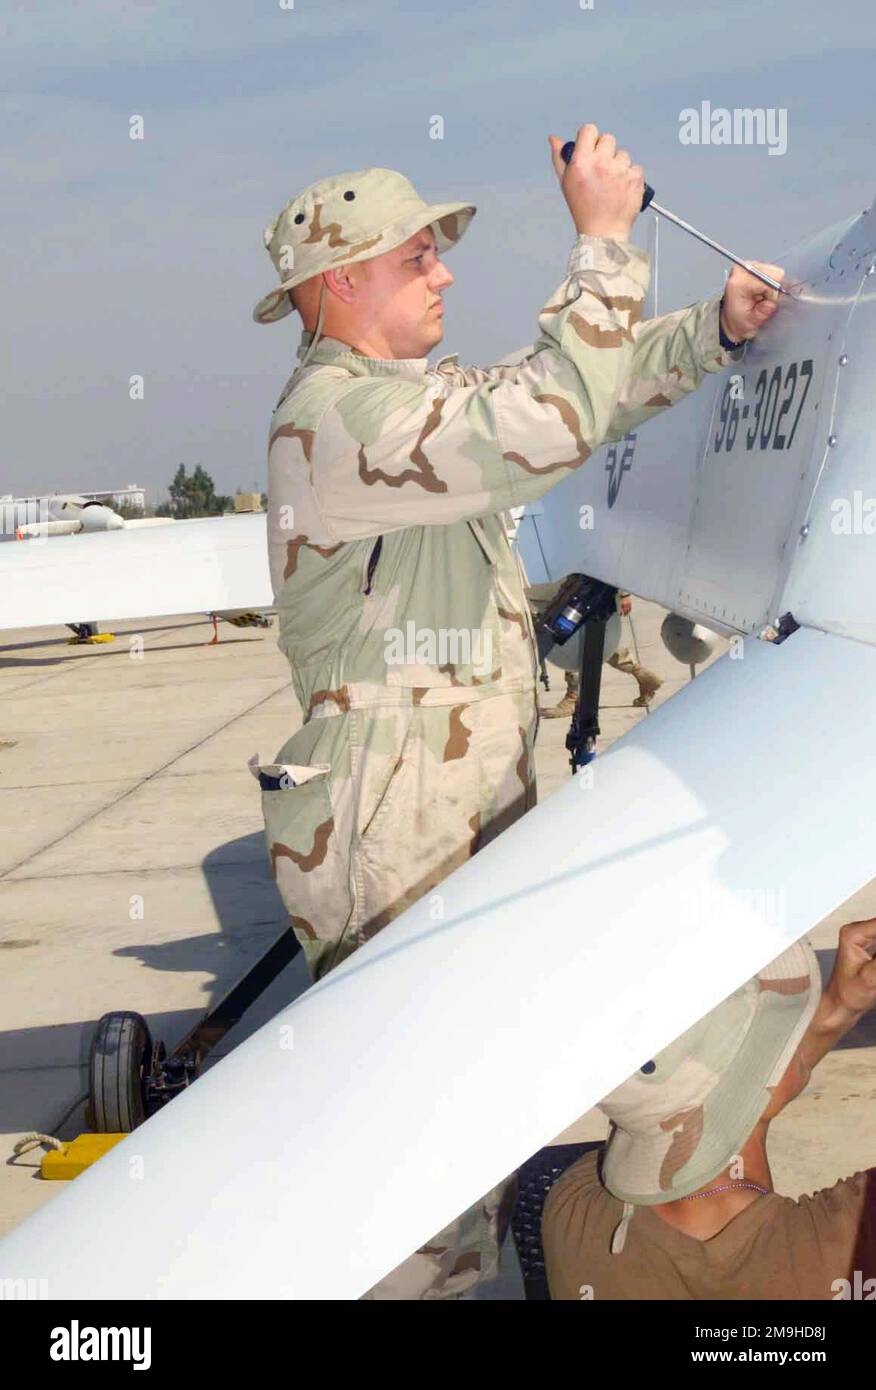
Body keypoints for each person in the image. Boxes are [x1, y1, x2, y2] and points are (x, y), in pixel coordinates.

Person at [251, 124, 781, 1299]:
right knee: (416, 1152)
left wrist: (713, 331)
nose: (443, 272)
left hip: (442, 802)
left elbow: (558, 393)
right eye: (416, 258)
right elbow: (543, 419)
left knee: (469, 1122)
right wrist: (602, 240)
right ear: (340, 281)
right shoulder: (338, 422)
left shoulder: (405, 401)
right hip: (392, 829)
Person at [541, 920, 876, 1300]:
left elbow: (708, 1100)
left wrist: (837, 1010)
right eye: (781, 1027)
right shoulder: (848, 1239)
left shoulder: (575, 1210)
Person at [531, 587, 662, 717]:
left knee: (570, 642)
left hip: (564, 591)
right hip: (543, 593)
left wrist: (624, 593)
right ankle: (642, 675)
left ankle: (573, 696)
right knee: (595, 643)